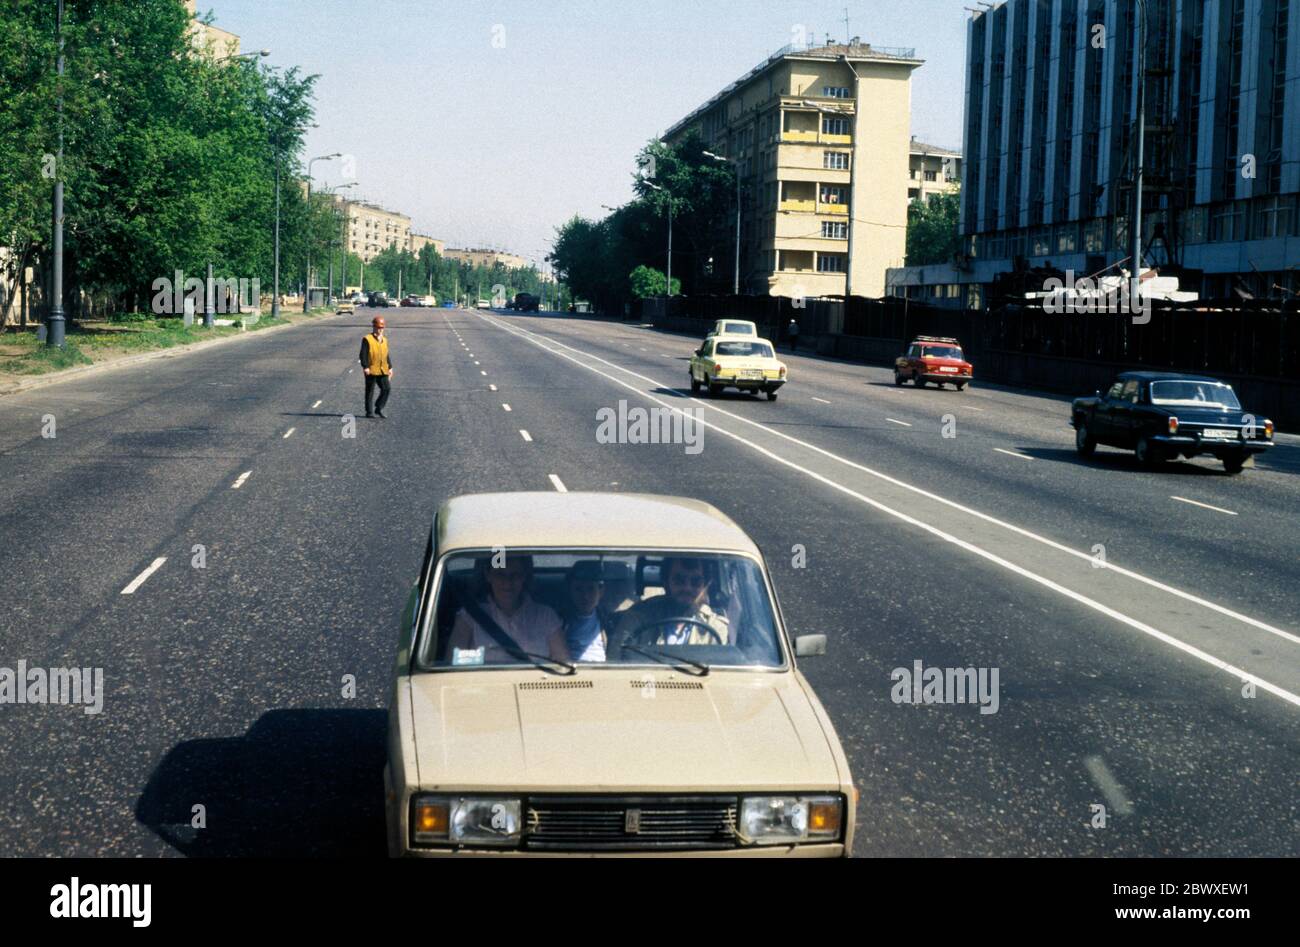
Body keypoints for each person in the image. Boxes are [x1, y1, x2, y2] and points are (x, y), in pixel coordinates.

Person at [447, 554, 569, 665]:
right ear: (488, 575)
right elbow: (452, 666)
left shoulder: (546, 616)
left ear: (524, 577)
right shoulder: (469, 617)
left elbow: (563, 664)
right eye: (500, 575)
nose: (507, 583)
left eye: (515, 575)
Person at [613, 556, 730, 652]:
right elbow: (616, 665)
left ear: (705, 587)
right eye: (679, 580)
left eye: (695, 582)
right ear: (666, 582)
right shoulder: (637, 618)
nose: (687, 588)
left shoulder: (715, 627)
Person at [562, 560, 609, 663]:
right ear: (570, 591)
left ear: (600, 591)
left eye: (591, 589)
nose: (585, 596)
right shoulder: (559, 620)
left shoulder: (609, 621)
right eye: (578, 589)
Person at [359, 315, 395, 419]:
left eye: (381, 328)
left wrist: (390, 367)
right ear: (374, 327)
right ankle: (369, 412)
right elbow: (363, 354)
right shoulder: (367, 339)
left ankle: (379, 408)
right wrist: (365, 367)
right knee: (370, 391)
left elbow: (386, 354)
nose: (380, 330)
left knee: (386, 389)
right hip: (371, 369)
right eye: (378, 328)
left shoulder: (384, 340)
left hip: (383, 369)